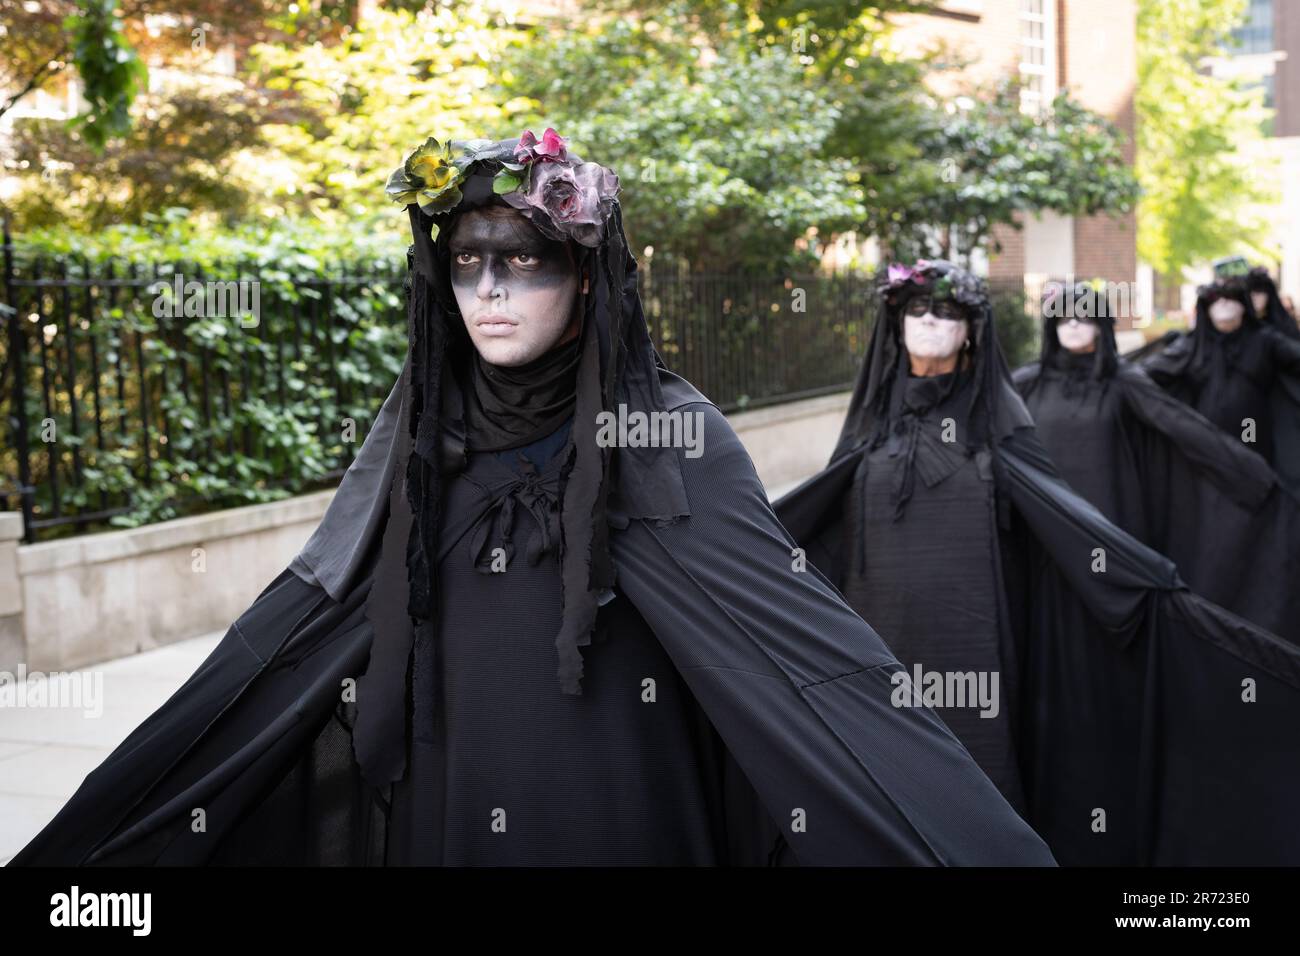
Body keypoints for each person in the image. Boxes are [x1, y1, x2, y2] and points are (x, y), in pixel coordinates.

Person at [8, 133, 1053, 867]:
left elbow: (816, 666)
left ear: (587, 278)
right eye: (467, 265)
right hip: (450, 793)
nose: (492, 292)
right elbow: (285, 640)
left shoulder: (669, 440)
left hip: (616, 801)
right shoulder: (419, 439)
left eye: (526, 262)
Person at [774, 259, 1300, 866]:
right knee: (881, 768)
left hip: (976, 641)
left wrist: (1146, 577)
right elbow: (818, 514)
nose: (928, 323)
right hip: (881, 633)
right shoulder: (874, 429)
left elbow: (1062, 510)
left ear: (973, 328)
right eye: (915, 310)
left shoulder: (999, 423)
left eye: (946, 311)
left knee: (972, 770)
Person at [1013, 279, 1300, 644]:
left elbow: (1182, 425)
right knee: (1049, 620)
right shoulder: (1026, 383)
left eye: (1083, 317)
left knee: (1103, 623)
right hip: (1045, 529)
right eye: (1062, 318)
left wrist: (1249, 475)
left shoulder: (1121, 381)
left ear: (1100, 326)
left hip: (1110, 522)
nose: (1072, 324)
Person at [1141, 274, 1300, 496]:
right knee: (1209, 491)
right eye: (1215, 298)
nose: (1223, 302)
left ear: (1243, 305)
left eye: (1232, 296)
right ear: (1207, 307)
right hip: (1207, 431)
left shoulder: (1265, 339)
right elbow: (1146, 373)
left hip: (1250, 427)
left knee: (1251, 479)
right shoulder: (1193, 344)